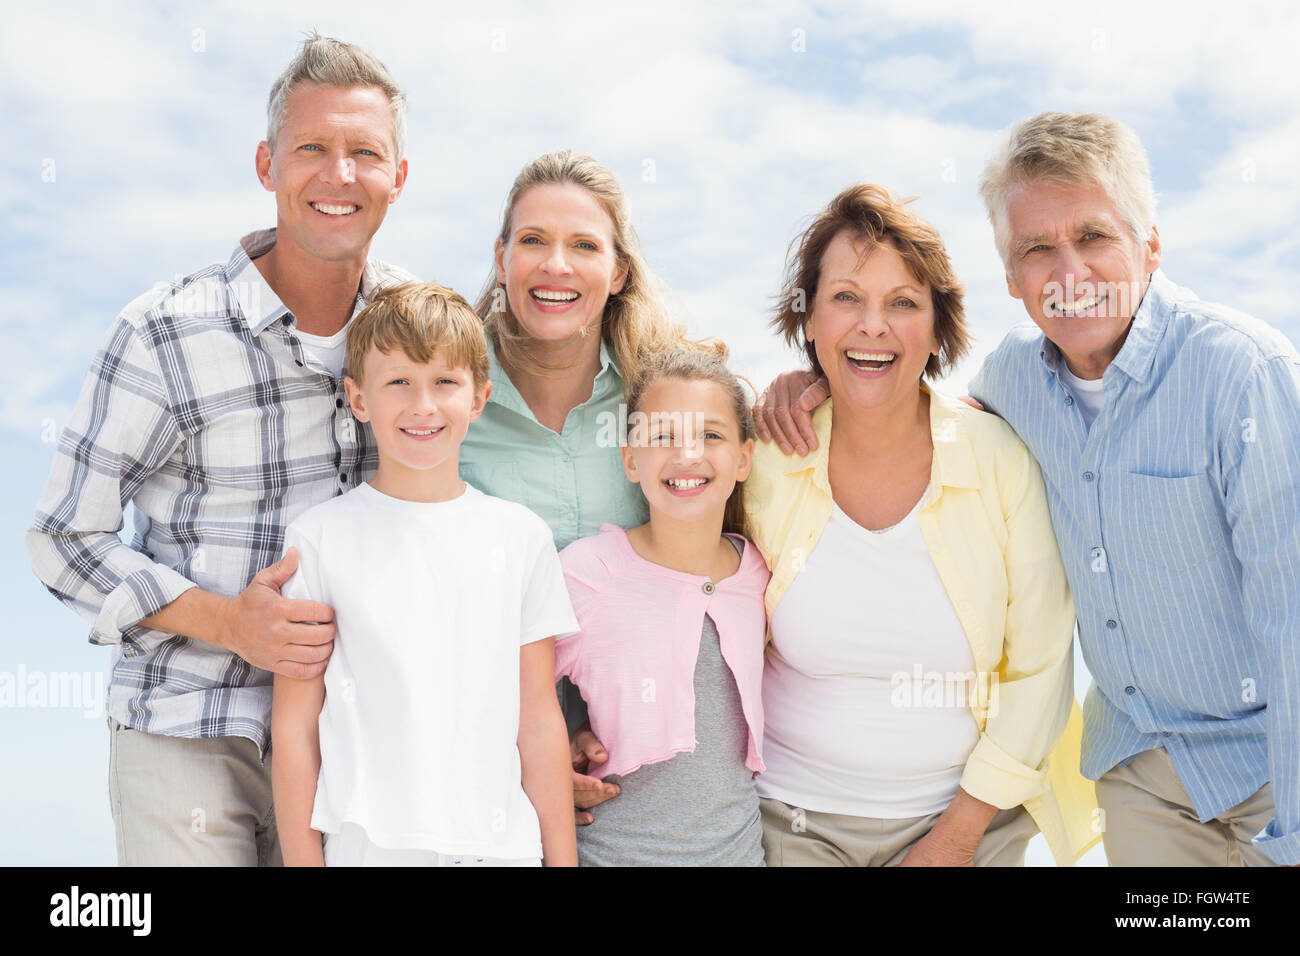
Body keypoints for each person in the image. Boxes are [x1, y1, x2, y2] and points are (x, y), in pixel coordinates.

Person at [757, 113, 1300, 867]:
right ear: (1010, 276)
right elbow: (906, 398)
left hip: (1274, 758)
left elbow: (1293, 617)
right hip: (1143, 770)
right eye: (1037, 249)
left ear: (1150, 244)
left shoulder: (1246, 376)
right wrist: (820, 382)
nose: (1068, 272)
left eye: (1094, 237)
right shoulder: (1013, 382)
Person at [25, 34, 414, 865]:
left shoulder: (413, 335)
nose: (338, 175)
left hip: (354, 740)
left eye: (364, 153)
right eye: (312, 148)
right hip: (188, 728)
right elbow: (64, 540)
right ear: (267, 164)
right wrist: (231, 622)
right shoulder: (163, 330)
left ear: (398, 178)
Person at [746, 183, 1097, 866]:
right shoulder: (760, 458)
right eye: (845, 298)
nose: (872, 325)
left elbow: (1041, 668)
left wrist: (957, 838)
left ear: (938, 328)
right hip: (789, 825)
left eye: (903, 303)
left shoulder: (1001, 460)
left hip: (971, 828)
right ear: (809, 319)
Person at [271, 282, 577, 867]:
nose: (423, 406)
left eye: (445, 382)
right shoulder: (319, 540)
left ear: (480, 397)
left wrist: (562, 862)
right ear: (358, 398)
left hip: (501, 850)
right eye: (398, 383)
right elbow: (295, 729)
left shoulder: (520, 537)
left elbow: (538, 719)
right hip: (367, 852)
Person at [461, 149, 709, 819]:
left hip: (635, 763)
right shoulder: (448, 393)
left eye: (584, 245)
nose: (556, 265)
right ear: (502, 256)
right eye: (533, 240)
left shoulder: (659, 400)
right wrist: (525, 753)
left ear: (619, 271)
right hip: (473, 744)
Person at [555, 349, 770, 866]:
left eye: (711, 435)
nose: (687, 455)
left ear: (744, 458)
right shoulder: (587, 574)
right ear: (631, 459)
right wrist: (551, 756)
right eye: (662, 436)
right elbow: (511, 699)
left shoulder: (760, 572)